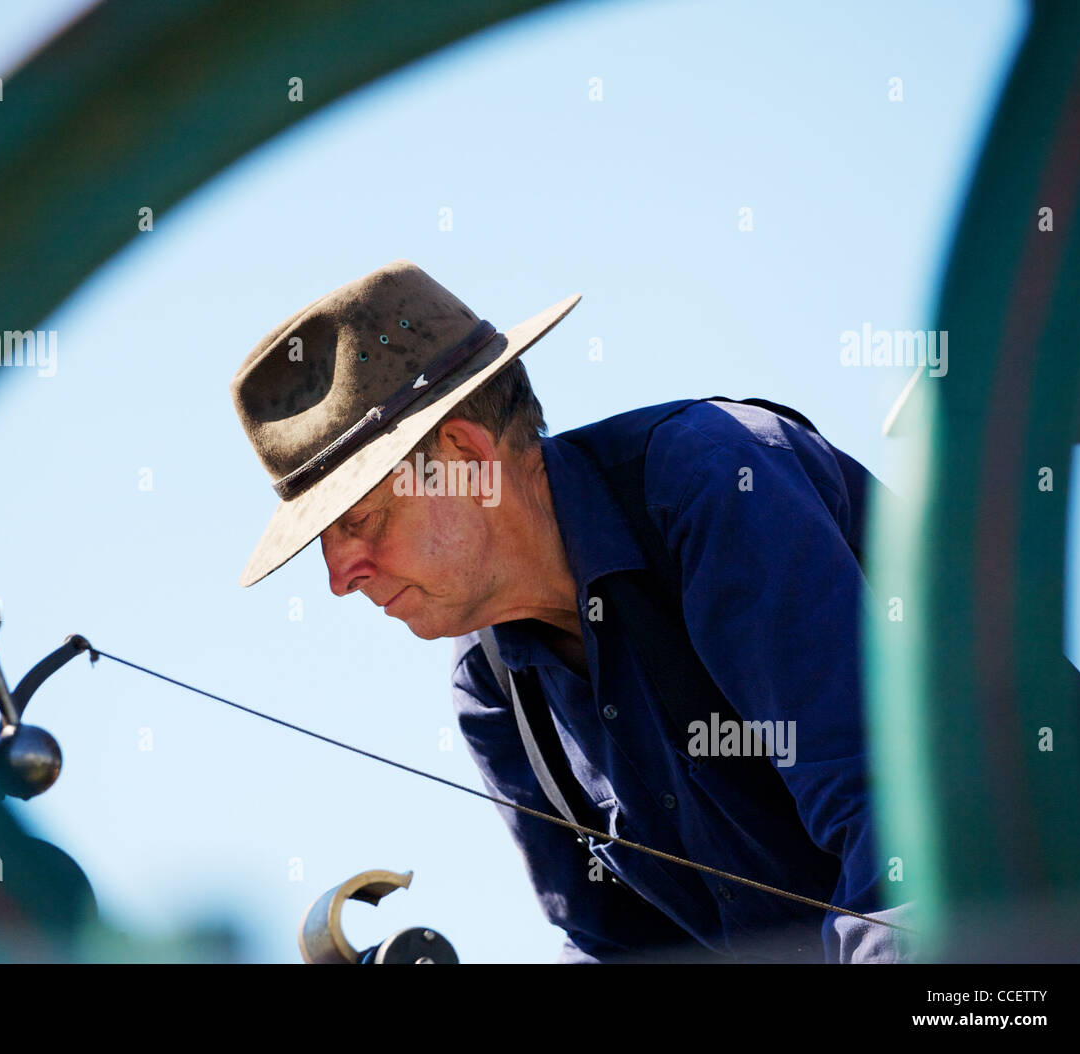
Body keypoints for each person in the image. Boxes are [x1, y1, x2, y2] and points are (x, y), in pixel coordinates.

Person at [232, 258, 913, 962]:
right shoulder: (491, 686)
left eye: (361, 520)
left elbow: (900, 829)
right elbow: (612, 945)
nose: (341, 577)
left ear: (465, 454)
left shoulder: (714, 485)